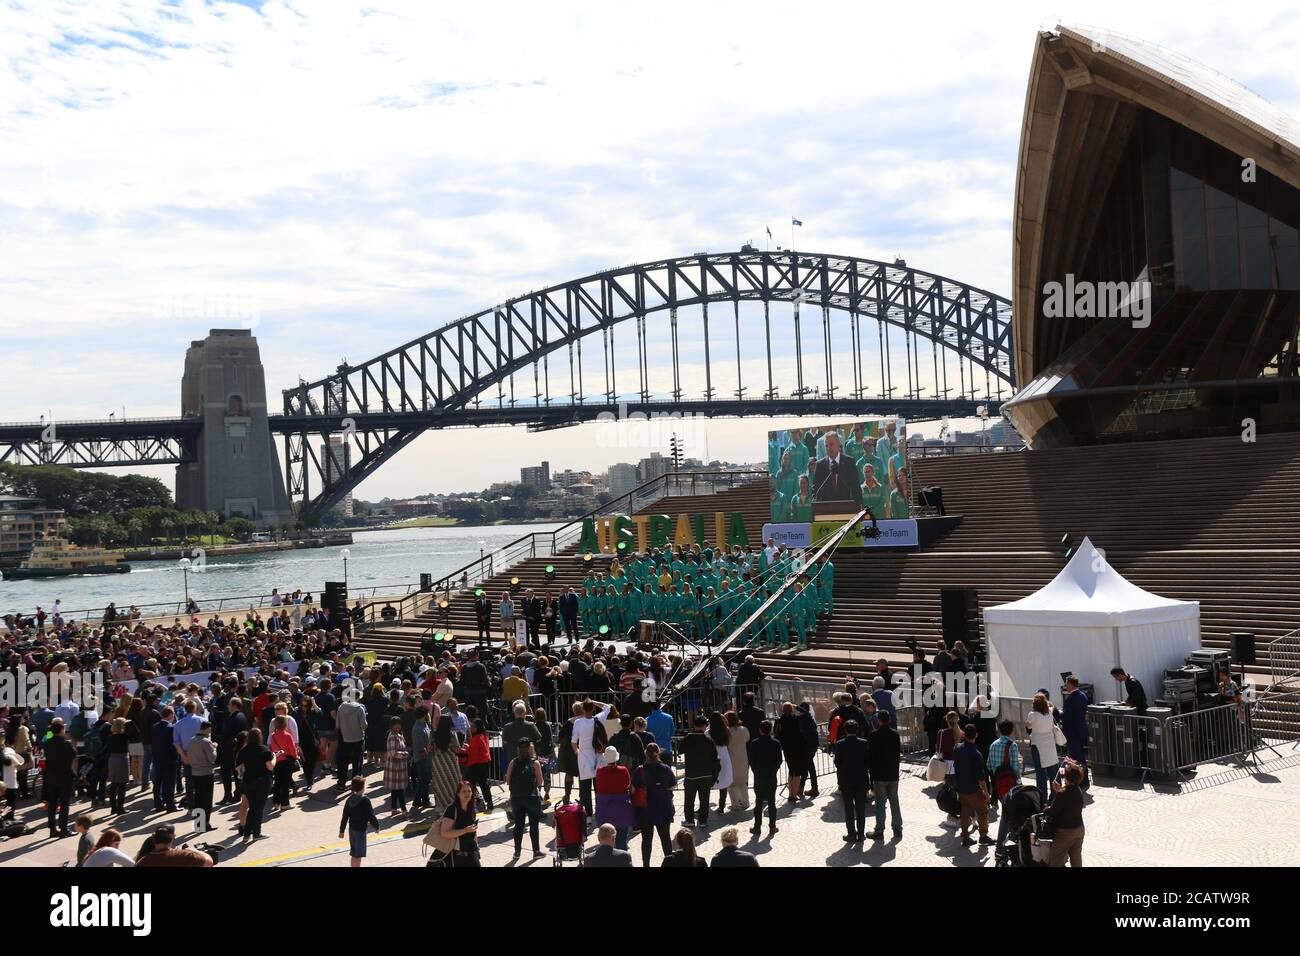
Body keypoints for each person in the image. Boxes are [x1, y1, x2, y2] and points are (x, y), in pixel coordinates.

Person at [632, 742, 675, 867]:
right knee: (665, 838)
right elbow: (673, 785)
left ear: (646, 753)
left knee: (646, 839)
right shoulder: (666, 768)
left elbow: (633, 789)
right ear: (659, 752)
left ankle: (646, 864)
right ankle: (669, 863)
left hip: (646, 809)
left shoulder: (640, 770)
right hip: (663, 806)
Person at [953, 724, 994, 847]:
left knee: (965, 812)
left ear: (964, 734)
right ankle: (983, 835)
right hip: (973, 789)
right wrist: (987, 794)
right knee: (982, 811)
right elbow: (981, 779)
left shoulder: (957, 748)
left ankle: (965, 837)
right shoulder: (977, 754)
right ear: (976, 735)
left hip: (960, 787)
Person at [504, 741, 545, 859]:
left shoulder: (513, 762)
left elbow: (508, 780)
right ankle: (536, 851)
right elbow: (540, 781)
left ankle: (517, 852)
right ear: (530, 749)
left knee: (519, 825)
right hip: (531, 797)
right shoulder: (535, 763)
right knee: (534, 825)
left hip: (516, 798)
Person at [833, 720, 870, 843]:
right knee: (860, 808)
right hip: (861, 779)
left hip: (846, 780)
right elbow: (867, 761)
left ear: (845, 730)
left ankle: (851, 834)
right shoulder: (864, 743)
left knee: (849, 808)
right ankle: (861, 834)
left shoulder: (839, 744)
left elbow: (837, 762)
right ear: (857, 729)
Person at [988, 719, 1024, 846]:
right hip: (1011, 785)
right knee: (1007, 814)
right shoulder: (1012, 745)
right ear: (1011, 731)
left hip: (998, 785)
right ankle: (1001, 843)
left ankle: (1006, 840)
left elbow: (989, 765)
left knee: (1006, 810)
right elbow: (1015, 768)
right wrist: (1020, 783)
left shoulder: (993, 744)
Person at [867, 710, 902, 839]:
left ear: (879, 720)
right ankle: (897, 829)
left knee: (880, 804)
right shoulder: (895, 735)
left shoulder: (874, 735)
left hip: (879, 774)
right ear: (889, 720)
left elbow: (871, 756)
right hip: (893, 773)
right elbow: (897, 754)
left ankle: (879, 830)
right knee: (894, 801)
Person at [680, 714, 719, 828]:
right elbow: (714, 759)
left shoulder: (688, 738)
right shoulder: (709, 740)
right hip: (706, 775)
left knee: (689, 799)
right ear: (703, 726)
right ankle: (703, 821)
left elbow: (680, 750)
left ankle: (690, 820)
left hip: (691, 774)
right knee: (704, 799)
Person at [236, 727, 275, 840]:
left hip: (248, 781)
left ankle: (247, 833)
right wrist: (275, 758)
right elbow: (270, 766)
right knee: (257, 808)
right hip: (262, 781)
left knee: (253, 807)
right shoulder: (264, 749)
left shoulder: (243, 750)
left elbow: (238, 767)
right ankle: (256, 833)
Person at [1045, 761, 1086, 866]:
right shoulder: (1078, 790)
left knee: (1056, 860)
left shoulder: (1063, 793)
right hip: (1079, 829)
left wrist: (1045, 809)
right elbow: (1068, 801)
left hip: (1065, 832)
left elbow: (1053, 811)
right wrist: (1059, 790)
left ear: (1066, 778)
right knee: (1076, 860)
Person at [595, 746, 635, 849]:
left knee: (607, 844)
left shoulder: (599, 771)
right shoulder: (623, 770)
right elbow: (630, 787)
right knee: (621, 840)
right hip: (621, 809)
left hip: (605, 810)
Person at [42, 719, 77, 837]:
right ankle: (63, 828)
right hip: (64, 776)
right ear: (62, 730)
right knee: (64, 804)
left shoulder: (47, 742)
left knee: (52, 804)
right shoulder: (65, 743)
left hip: (51, 776)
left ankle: (52, 829)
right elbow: (74, 754)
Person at [748, 719, 783, 837]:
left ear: (760, 730)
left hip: (759, 776)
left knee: (758, 802)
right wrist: (773, 771)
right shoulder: (776, 743)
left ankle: (757, 827)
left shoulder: (754, 743)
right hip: (771, 776)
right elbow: (779, 760)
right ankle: (772, 827)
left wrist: (756, 771)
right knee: (772, 802)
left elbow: (751, 760)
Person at [338, 775, 381, 866]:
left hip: (352, 829)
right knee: (358, 855)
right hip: (360, 830)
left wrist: (342, 831)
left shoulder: (349, 799)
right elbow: (371, 815)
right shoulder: (365, 800)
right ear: (362, 788)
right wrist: (376, 826)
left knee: (354, 853)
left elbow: (345, 816)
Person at [1024, 693, 1060, 801]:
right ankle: (1055, 796)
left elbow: (1028, 725)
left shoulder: (1032, 715)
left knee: (1040, 774)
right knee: (1053, 772)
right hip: (1050, 746)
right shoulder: (1050, 713)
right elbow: (1052, 706)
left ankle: (1042, 798)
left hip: (1038, 747)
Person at [437, 779, 480, 868]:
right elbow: (444, 833)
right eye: (464, 791)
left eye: (469, 791)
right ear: (458, 794)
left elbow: (473, 831)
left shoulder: (471, 809)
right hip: (456, 855)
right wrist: (465, 830)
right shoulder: (452, 809)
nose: (467, 794)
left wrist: (477, 848)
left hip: (471, 853)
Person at [187, 721, 218, 828]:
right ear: (206, 729)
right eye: (210, 730)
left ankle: (198, 824)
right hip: (206, 773)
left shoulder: (192, 740)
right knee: (207, 800)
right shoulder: (206, 742)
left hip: (195, 773)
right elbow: (212, 758)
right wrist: (214, 748)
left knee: (198, 799)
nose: (210, 732)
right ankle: (206, 824)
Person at [135, 826, 214, 867]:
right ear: (171, 840)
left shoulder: (143, 862)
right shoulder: (185, 855)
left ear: (154, 841)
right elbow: (209, 862)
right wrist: (194, 851)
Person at [1061, 677, 1090, 786]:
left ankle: (1082, 780)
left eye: (1066, 684)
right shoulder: (1083, 696)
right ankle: (1079, 779)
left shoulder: (1070, 699)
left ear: (1070, 684)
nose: (1065, 686)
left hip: (1072, 732)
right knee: (1078, 756)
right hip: (1081, 730)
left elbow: (1067, 717)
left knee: (1076, 758)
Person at [270, 715, 300, 811]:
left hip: (277, 761)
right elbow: (292, 750)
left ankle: (276, 802)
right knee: (285, 784)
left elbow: (274, 749)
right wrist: (296, 756)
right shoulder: (288, 735)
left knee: (277, 783)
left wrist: (279, 754)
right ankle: (285, 803)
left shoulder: (273, 735)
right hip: (286, 762)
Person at [724, 711, 750, 813]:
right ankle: (745, 802)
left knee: (732, 783)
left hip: (731, 758)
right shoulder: (744, 729)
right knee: (743, 782)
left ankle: (735, 804)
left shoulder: (726, 732)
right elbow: (747, 739)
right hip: (743, 757)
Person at [383, 717, 409, 815]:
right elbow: (394, 753)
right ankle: (404, 810)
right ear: (392, 725)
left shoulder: (399, 735)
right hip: (396, 767)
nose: (398, 726)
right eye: (396, 724)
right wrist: (406, 754)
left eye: (399, 724)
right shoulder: (392, 736)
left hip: (398, 766)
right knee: (400, 790)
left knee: (394, 789)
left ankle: (394, 809)